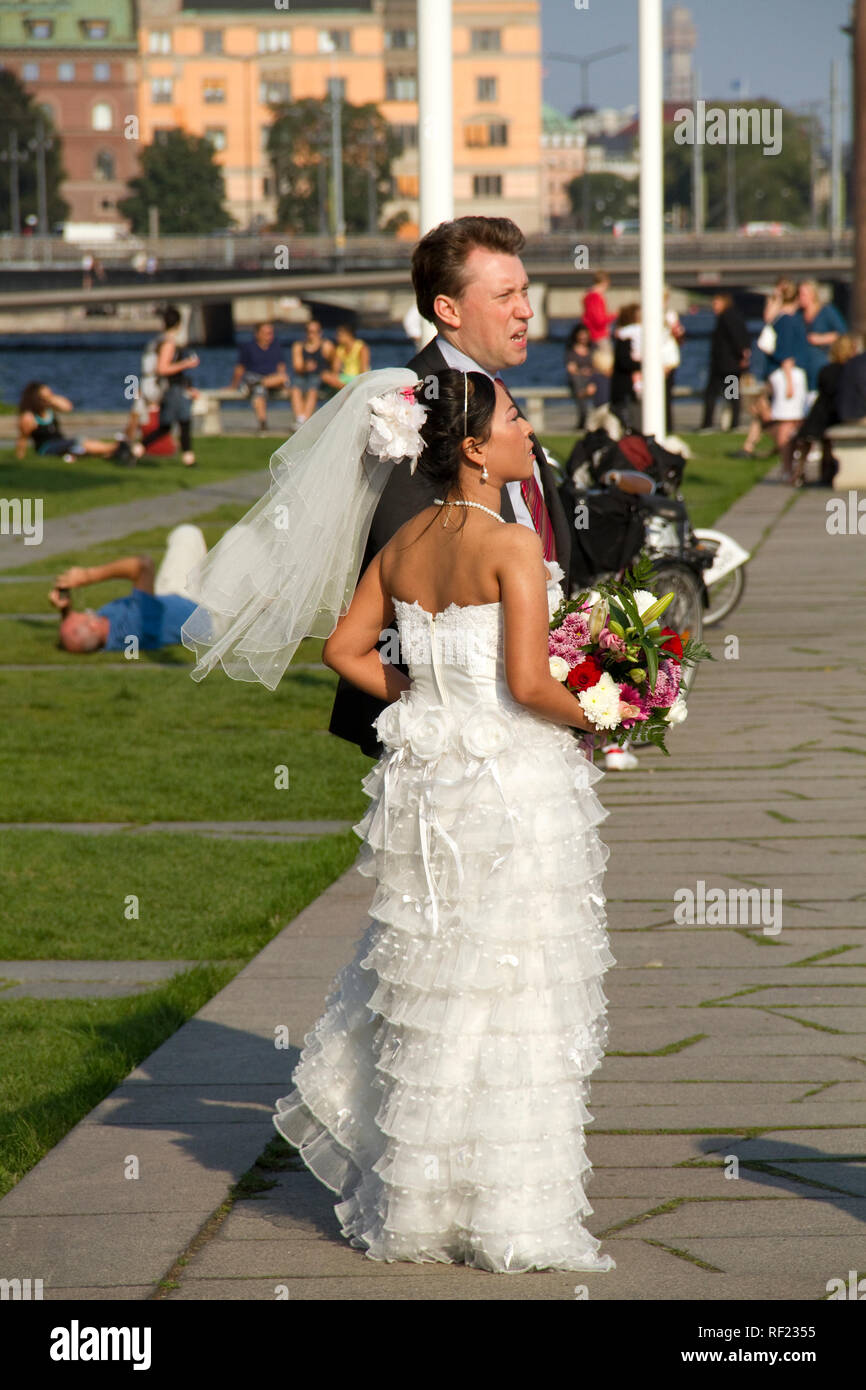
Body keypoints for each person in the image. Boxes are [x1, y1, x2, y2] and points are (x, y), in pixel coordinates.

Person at [180, 367, 616, 1274]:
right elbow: (534, 686)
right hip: (508, 792)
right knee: (511, 987)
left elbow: (343, 649)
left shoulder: (407, 539)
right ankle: (506, 1210)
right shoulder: (511, 546)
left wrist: (420, 696)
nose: (527, 427)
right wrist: (615, 711)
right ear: (473, 447)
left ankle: (419, 1202)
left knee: (438, 983)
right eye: (514, 415)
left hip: (432, 789)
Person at [326, 215, 573, 756]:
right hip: (454, 738)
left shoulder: (489, 395)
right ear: (449, 309)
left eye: (526, 291)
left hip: (534, 712)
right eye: (505, 295)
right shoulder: (409, 414)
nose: (527, 310)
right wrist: (458, 707)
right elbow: (414, 577)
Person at [48, 524, 207, 653]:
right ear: (93, 626)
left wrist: (65, 608)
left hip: (169, 596)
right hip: (206, 614)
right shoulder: (134, 624)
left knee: (186, 533)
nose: (76, 612)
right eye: (79, 615)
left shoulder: (108, 632)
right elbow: (143, 565)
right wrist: (88, 576)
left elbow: (76, 635)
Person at [788, 333, 863, 486]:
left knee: (810, 438)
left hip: (819, 415)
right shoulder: (850, 370)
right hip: (834, 415)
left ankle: (798, 473)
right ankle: (827, 474)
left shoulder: (826, 370)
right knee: (825, 441)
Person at [16, 382, 141, 464]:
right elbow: (22, 439)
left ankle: (118, 452)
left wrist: (50, 399)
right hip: (46, 449)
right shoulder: (29, 417)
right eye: (44, 397)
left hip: (61, 443)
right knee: (81, 442)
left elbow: (67, 407)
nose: (48, 399)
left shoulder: (49, 409)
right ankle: (119, 448)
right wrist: (20, 458)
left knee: (82, 447)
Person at [140, 306, 199, 466]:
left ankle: (136, 449)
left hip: (157, 386)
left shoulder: (156, 341)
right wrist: (186, 364)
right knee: (184, 421)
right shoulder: (169, 342)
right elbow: (163, 368)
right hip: (170, 388)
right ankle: (189, 459)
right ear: (179, 324)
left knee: (166, 426)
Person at [700, 293, 751, 432]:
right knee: (731, 395)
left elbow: (736, 337)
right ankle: (733, 423)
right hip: (729, 365)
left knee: (713, 394)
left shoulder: (726, 317)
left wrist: (742, 354)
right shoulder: (733, 316)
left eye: (716, 303)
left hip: (725, 365)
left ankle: (709, 424)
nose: (714, 306)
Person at [230, 321, 289, 431]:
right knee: (259, 392)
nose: (270, 336)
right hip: (254, 376)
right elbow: (240, 369)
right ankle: (263, 423)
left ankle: (255, 385)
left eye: (271, 333)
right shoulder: (248, 347)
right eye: (267, 333)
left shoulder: (276, 346)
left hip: (271, 379)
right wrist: (233, 386)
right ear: (257, 334)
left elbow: (281, 367)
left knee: (282, 378)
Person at [797, 280, 846, 389]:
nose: (800, 297)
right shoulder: (798, 314)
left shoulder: (826, 311)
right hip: (803, 366)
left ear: (813, 295)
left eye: (803, 294)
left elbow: (842, 333)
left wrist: (820, 339)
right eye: (799, 294)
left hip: (821, 363)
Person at [290, 319, 334, 425]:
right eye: (309, 331)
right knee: (295, 388)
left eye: (315, 332)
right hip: (303, 376)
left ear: (320, 333)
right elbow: (297, 367)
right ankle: (301, 419)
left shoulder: (326, 346)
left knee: (312, 389)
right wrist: (306, 367)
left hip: (320, 378)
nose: (312, 335)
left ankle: (304, 420)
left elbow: (334, 363)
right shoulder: (299, 346)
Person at [610, 303, 641, 430]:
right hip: (626, 389)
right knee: (630, 422)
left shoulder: (626, 336)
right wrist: (645, 364)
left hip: (629, 388)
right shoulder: (625, 337)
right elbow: (624, 362)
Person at [321, 322, 370, 393]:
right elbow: (335, 369)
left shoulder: (361, 347)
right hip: (345, 378)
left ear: (348, 335)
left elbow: (363, 368)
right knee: (325, 376)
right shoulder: (340, 349)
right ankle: (349, 390)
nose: (337, 338)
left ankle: (349, 390)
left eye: (339, 335)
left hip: (357, 377)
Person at [564, 321, 595, 428]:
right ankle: (583, 415)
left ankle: (584, 418)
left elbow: (598, 366)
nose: (583, 337)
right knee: (577, 379)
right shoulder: (571, 352)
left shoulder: (593, 349)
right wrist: (583, 372)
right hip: (578, 381)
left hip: (591, 380)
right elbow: (571, 369)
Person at [582, 271, 616, 346]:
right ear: (604, 283)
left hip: (591, 334)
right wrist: (615, 315)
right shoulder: (595, 297)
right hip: (599, 336)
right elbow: (599, 320)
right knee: (606, 357)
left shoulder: (588, 295)